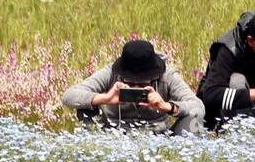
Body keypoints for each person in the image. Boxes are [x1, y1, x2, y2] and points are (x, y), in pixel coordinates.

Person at [63, 39, 204, 134]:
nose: (136, 87)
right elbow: (69, 95)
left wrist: (166, 106)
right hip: (112, 135)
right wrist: (105, 98)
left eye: (142, 84)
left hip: (160, 136)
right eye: (130, 84)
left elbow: (198, 107)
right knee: (85, 109)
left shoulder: (167, 76)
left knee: (194, 119)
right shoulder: (111, 73)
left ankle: (179, 160)